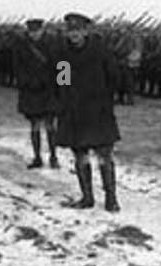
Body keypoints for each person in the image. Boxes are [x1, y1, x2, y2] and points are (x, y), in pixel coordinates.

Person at [54, 12, 122, 212]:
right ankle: (87, 198)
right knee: (80, 157)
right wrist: (65, 104)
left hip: (98, 113)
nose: (74, 35)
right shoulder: (63, 54)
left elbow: (114, 78)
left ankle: (111, 200)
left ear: (86, 31)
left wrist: (104, 100)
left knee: (104, 157)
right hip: (74, 114)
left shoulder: (101, 51)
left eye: (78, 30)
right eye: (70, 31)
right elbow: (61, 82)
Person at [14, 18, 60, 169]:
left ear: (42, 30)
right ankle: (37, 157)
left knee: (50, 125)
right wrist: (25, 82)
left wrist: (64, 86)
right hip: (31, 90)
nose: (34, 35)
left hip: (49, 89)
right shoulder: (22, 45)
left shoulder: (54, 44)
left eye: (37, 31)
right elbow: (17, 66)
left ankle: (54, 157)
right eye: (31, 32)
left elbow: (63, 64)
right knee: (34, 125)